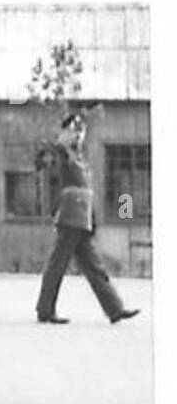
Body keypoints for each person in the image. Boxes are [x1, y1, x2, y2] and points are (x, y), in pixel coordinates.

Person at [35, 112, 140, 325]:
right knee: (58, 264)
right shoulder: (60, 153)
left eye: (81, 132)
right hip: (70, 215)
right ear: (65, 132)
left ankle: (115, 309)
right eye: (74, 131)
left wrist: (92, 220)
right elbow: (42, 159)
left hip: (82, 218)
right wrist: (59, 142)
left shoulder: (80, 156)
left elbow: (87, 190)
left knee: (94, 267)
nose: (78, 136)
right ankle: (45, 310)